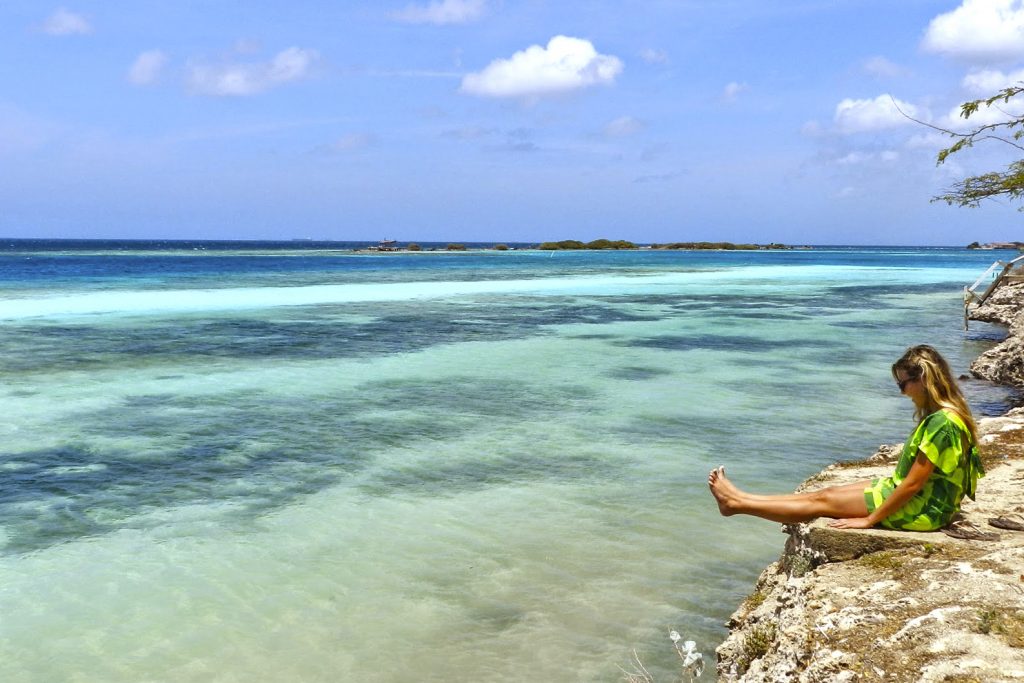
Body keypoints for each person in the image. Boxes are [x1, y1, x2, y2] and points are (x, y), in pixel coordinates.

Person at [708, 345, 984, 531]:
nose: (902, 392)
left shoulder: (943, 423)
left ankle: (736, 505)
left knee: (821, 504)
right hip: (924, 498)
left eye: (904, 384)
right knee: (824, 494)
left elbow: (913, 485)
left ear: (924, 379)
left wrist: (870, 520)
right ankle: (739, 497)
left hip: (924, 508)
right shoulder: (946, 414)